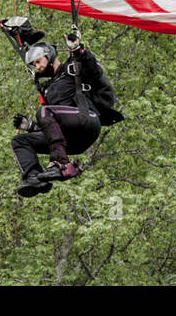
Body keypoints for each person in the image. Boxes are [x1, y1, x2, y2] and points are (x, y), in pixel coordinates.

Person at [11, 30, 122, 198]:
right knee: (20, 141)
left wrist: (77, 49)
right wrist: (31, 126)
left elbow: (95, 71)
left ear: (49, 56)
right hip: (72, 141)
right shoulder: (48, 87)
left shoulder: (72, 68)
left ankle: (60, 163)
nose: (38, 67)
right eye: (34, 65)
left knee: (44, 111)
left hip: (87, 120)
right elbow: (53, 128)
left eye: (39, 61)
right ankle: (35, 179)